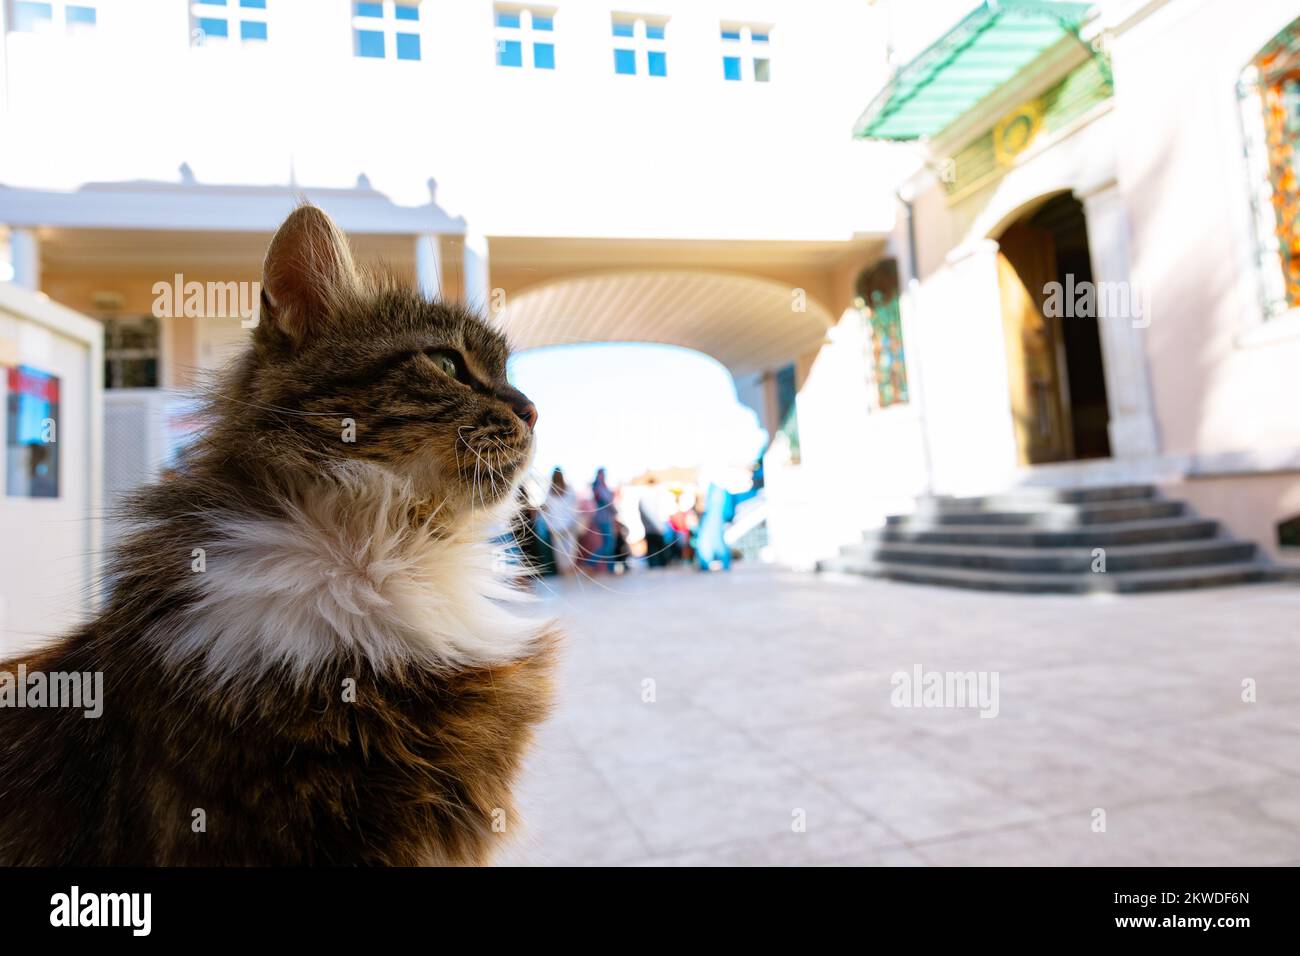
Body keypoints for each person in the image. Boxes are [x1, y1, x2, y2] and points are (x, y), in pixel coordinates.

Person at [541, 467, 578, 575]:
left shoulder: (567, 490)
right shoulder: (550, 491)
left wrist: (550, 525)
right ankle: (565, 570)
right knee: (564, 549)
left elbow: (573, 506)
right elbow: (547, 511)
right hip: (559, 526)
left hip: (564, 525)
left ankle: (567, 569)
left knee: (566, 548)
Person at [590, 468, 617, 572]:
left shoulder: (601, 487)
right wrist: (615, 511)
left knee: (609, 544)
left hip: (605, 518)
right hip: (604, 518)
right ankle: (590, 562)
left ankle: (611, 569)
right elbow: (608, 502)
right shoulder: (599, 487)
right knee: (608, 544)